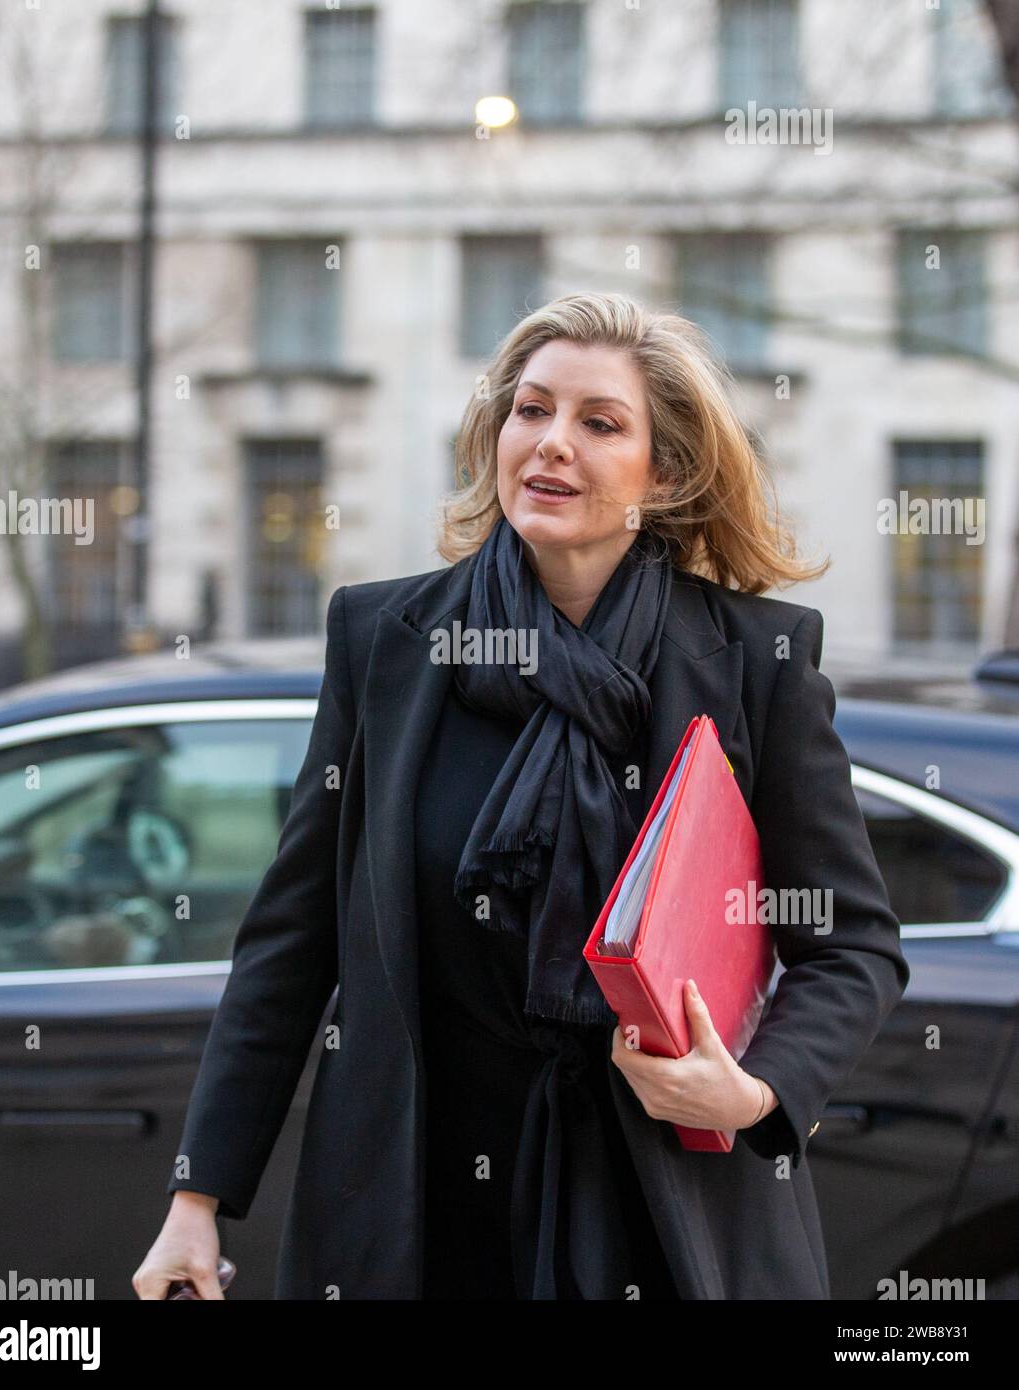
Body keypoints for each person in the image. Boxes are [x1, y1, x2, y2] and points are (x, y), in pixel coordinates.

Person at [133, 291, 909, 1301]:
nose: (550, 444)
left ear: (662, 473)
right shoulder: (385, 642)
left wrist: (752, 1090)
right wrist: (197, 1200)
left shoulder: (750, 663)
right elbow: (293, 938)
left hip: (664, 1209)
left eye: (598, 423)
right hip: (418, 1206)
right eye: (530, 410)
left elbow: (851, 945)